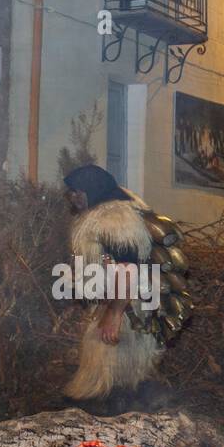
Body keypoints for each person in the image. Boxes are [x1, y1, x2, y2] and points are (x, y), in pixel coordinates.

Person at [62, 164, 192, 409]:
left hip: (128, 310)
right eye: (71, 192)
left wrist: (114, 314)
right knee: (123, 377)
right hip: (118, 306)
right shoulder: (100, 215)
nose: (73, 197)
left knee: (109, 374)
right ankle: (126, 421)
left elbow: (127, 268)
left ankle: (112, 426)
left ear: (93, 189)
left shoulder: (114, 219)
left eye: (77, 191)